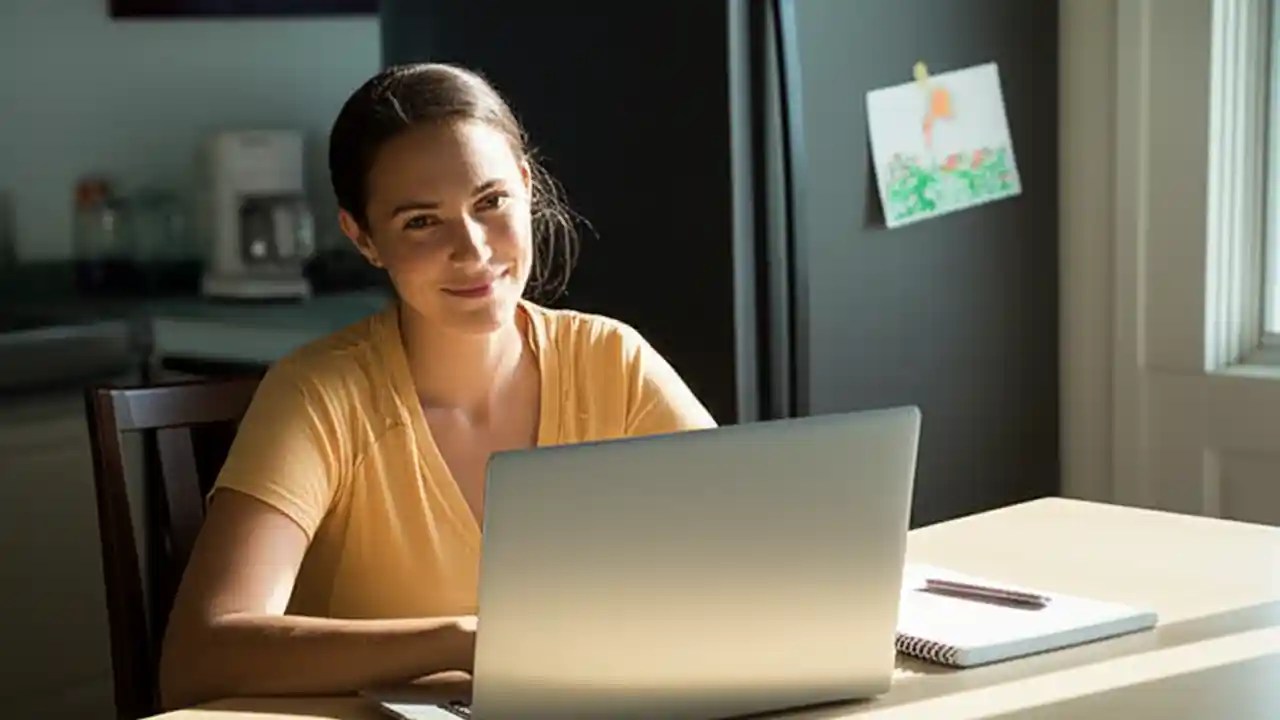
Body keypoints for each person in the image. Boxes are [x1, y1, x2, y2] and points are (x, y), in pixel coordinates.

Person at [158, 62, 716, 710]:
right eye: (422, 222)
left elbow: (750, 559)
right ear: (362, 237)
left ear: (527, 187)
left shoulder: (612, 361)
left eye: (490, 202)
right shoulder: (319, 394)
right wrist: (462, 641)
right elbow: (201, 657)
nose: (473, 249)